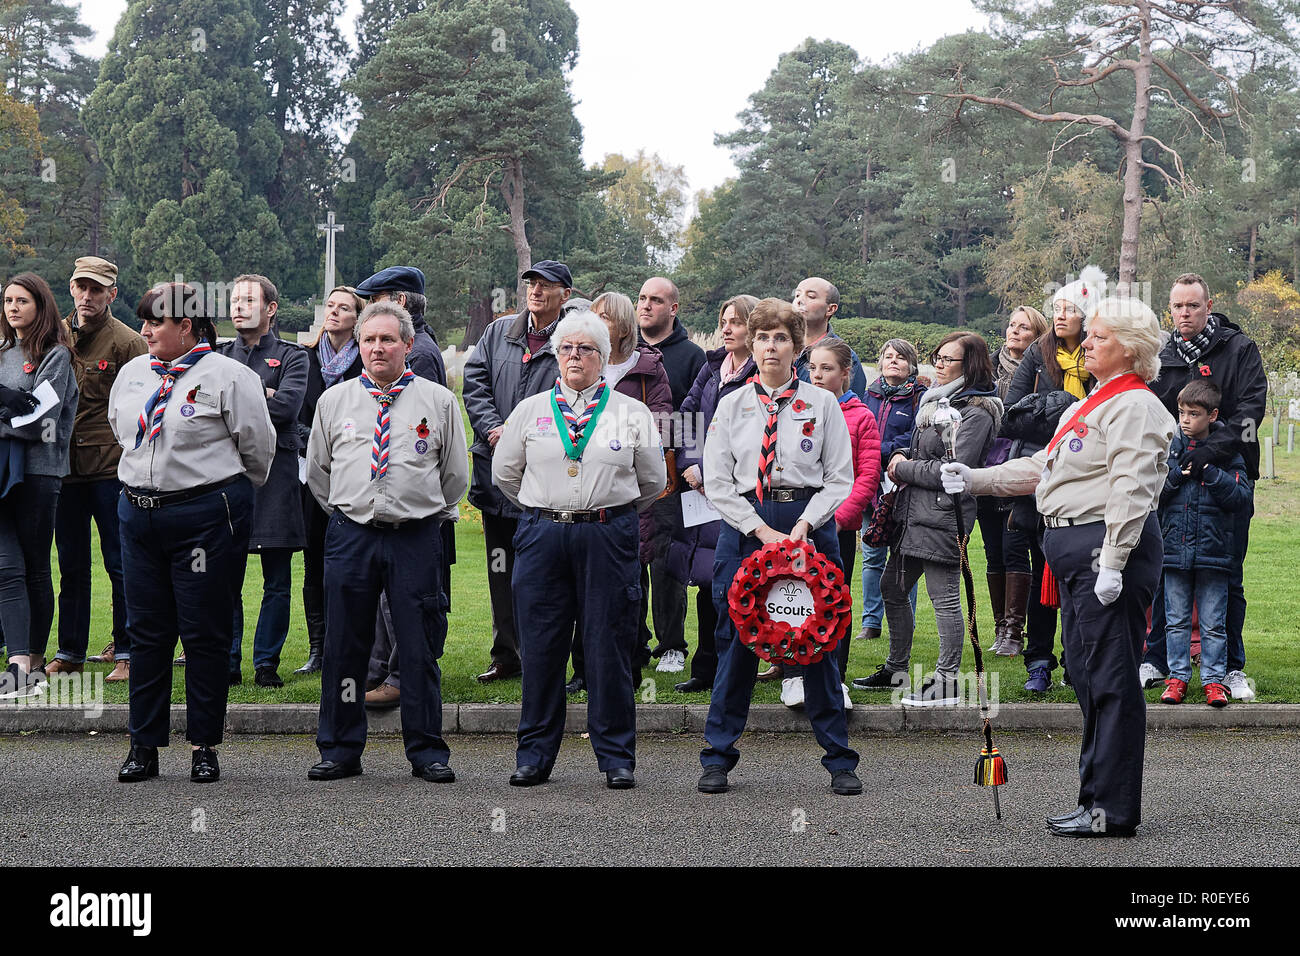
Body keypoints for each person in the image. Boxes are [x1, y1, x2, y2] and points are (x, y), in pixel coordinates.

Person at [943, 296, 1173, 837]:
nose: (1086, 343)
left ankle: (1110, 809)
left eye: (1099, 337)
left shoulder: (1134, 405)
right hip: (1071, 549)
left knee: (1111, 679)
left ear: (1131, 349)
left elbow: (1131, 489)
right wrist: (974, 478)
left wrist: (1114, 561)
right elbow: (1044, 467)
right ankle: (1094, 797)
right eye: (1088, 335)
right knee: (1087, 674)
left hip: (1103, 550)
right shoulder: (1089, 402)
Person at [493, 310, 666, 789]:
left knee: (607, 644)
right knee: (542, 646)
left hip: (607, 535)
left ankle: (615, 757)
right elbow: (506, 474)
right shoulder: (530, 410)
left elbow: (652, 481)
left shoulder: (630, 413)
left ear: (602, 357)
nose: (574, 356)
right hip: (542, 535)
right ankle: (534, 754)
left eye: (585, 349)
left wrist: (603, 508)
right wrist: (547, 510)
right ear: (556, 355)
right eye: (566, 348)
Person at [109, 283, 274, 783]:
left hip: (204, 515)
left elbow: (258, 450)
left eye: (154, 323)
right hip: (139, 515)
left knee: (204, 632)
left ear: (186, 326)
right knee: (147, 632)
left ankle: (204, 744)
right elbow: (123, 432)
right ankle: (144, 745)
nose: (143, 333)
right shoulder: (135, 372)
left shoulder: (228, 376)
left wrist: (213, 495)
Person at [697, 297, 861, 797]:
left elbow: (840, 478)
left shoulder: (822, 404)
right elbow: (718, 482)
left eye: (781, 338)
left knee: (818, 642)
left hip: (808, 524)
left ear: (797, 347)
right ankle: (717, 755)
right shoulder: (732, 404)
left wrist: (807, 524)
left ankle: (839, 759)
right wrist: (759, 530)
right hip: (747, 528)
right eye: (763, 337)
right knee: (738, 644)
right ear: (752, 342)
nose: (771, 347)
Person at [305, 300, 468, 783]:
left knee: (418, 648)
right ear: (359, 344)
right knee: (344, 647)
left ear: (407, 345)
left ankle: (426, 750)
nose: (378, 348)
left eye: (387, 339)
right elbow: (318, 473)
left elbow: (454, 475)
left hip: (415, 536)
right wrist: (352, 511)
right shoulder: (334, 401)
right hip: (351, 534)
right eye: (370, 339)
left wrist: (413, 508)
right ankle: (339, 748)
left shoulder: (437, 401)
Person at [1140, 274, 1267, 702]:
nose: (1184, 314)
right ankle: (1158, 661)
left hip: (1228, 475)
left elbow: (1252, 411)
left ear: (1209, 305)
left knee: (1227, 575)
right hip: (1172, 479)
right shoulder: (1163, 354)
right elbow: (1150, 412)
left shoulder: (1239, 348)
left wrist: (1212, 451)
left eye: (1192, 306)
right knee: (1164, 569)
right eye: (1177, 307)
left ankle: (1229, 667)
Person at [859, 333, 1001, 705]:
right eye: (937, 357)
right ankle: (897, 669)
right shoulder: (934, 400)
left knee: (945, 600)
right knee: (892, 588)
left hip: (944, 513)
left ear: (968, 366)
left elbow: (955, 468)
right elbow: (921, 447)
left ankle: (947, 680)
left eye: (948, 360)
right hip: (912, 513)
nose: (937, 364)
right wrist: (902, 453)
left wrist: (904, 468)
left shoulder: (977, 410)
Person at [464, 259, 585, 684]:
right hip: (496, 477)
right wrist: (495, 428)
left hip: (544, 481)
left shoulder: (574, 339)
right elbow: (474, 380)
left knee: (545, 577)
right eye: (532, 283)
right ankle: (506, 655)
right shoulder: (499, 332)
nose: (536, 290)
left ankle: (543, 657)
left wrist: (523, 436)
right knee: (500, 571)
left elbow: (577, 398)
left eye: (546, 285)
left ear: (565, 294)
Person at [565, 291, 671, 695]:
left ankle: (628, 656)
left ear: (624, 326)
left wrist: (616, 441)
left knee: (626, 583)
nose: (596, 322)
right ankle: (582, 667)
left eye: (605, 318)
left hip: (625, 487)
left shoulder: (647, 369)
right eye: (594, 315)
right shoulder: (575, 364)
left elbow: (659, 423)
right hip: (578, 486)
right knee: (579, 588)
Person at [1001, 269, 1102, 692]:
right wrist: (1065, 411)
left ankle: (1079, 663)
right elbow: (1014, 414)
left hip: (1091, 476)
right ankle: (1038, 661)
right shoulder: (1037, 355)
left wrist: (1067, 412)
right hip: (1041, 472)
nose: (1061, 316)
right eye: (1057, 308)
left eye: (1071, 309)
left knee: (1080, 577)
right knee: (1042, 571)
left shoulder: (1101, 353)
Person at [48, 257, 145, 684]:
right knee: (70, 564)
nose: (87, 296)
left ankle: (127, 652)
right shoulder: (54, 336)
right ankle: (70, 651)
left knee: (121, 564)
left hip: (109, 470)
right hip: (63, 468)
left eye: (96, 289)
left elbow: (143, 408)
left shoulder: (127, 343)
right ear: (71, 288)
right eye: (80, 287)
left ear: (112, 294)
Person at [218, 274, 308, 689]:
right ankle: (229, 660)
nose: (238, 306)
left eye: (249, 300)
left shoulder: (293, 357)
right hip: (227, 475)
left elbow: (288, 408)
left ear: (271, 309)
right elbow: (212, 410)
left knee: (277, 578)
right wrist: (263, 395)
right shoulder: (217, 356)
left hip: (277, 476)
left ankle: (266, 663)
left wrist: (243, 397)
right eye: (235, 300)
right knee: (224, 576)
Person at [669, 294, 759, 694]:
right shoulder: (711, 368)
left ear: (753, 330)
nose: (727, 329)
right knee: (708, 578)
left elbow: (752, 435)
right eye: (724, 321)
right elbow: (685, 416)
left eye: (736, 323)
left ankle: (737, 666)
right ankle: (706, 666)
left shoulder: (761, 374)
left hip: (740, 491)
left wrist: (711, 469)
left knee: (740, 581)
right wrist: (690, 464)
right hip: (702, 489)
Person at [0, 274, 78, 700]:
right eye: (8, 300)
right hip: (0, 474)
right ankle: (17, 665)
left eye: (23, 301)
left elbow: (39, 420)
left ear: (41, 305)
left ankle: (32, 666)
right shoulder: (1, 351)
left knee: (33, 567)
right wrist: (10, 398)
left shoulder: (56, 354)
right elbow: (19, 410)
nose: (13, 308)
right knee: (6, 568)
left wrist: (8, 405)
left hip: (39, 472)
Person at [1158, 381, 1253, 707]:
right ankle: (1177, 677)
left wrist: (1209, 471)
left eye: (1193, 414)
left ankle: (1214, 680)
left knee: (1214, 623)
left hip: (1214, 552)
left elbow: (1241, 498)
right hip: (1175, 550)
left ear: (1212, 415)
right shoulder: (1170, 448)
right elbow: (1155, 492)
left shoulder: (1228, 453)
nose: (1185, 419)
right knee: (1177, 620)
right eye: (1181, 412)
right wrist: (1177, 475)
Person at [636, 277, 705, 674]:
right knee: (629, 559)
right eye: (642, 298)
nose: (646, 306)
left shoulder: (691, 356)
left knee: (666, 560)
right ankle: (634, 641)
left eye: (656, 300)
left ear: (673, 308)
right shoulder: (623, 352)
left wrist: (679, 463)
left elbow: (695, 418)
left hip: (671, 477)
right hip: (626, 473)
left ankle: (672, 645)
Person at [805, 337, 880, 709]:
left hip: (836, 528)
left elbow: (867, 475)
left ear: (846, 372)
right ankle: (798, 674)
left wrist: (840, 519)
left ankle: (835, 676)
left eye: (827, 368)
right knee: (799, 599)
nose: (817, 376)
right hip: (797, 524)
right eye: (813, 368)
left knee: (834, 600)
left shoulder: (861, 416)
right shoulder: (797, 407)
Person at [295, 285, 366, 675]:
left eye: (345, 308)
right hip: (313, 475)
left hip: (356, 474)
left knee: (354, 563)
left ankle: (351, 645)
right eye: (331, 306)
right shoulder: (304, 360)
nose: (334, 312)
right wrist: (317, 445)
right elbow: (293, 417)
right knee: (314, 563)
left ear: (358, 318)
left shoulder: (366, 362)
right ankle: (318, 649)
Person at [980, 306, 1048, 658]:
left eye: (1024, 328)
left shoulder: (1042, 371)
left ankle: (1013, 630)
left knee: (1014, 548)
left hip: (1020, 468)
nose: (1014, 331)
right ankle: (998, 626)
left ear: (1037, 335)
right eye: (1011, 325)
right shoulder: (987, 369)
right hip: (984, 467)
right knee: (993, 551)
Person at [852, 339, 925, 655]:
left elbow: (915, 435)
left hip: (901, 485)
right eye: (888, 356)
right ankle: (871, 621)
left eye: (900, 357)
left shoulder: (920, 398)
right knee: (871, 557)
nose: (893, 361)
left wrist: (880, 451)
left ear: (911, 365)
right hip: (869, 485)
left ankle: (903, 619)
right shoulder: (867, 396)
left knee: (903, 558)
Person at [792, 277, 867, 396]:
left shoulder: (844, 356)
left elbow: (850, 409)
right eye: (797, 295)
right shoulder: (783, 346)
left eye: (811, 296)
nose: (799, 301)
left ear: (830, 309)